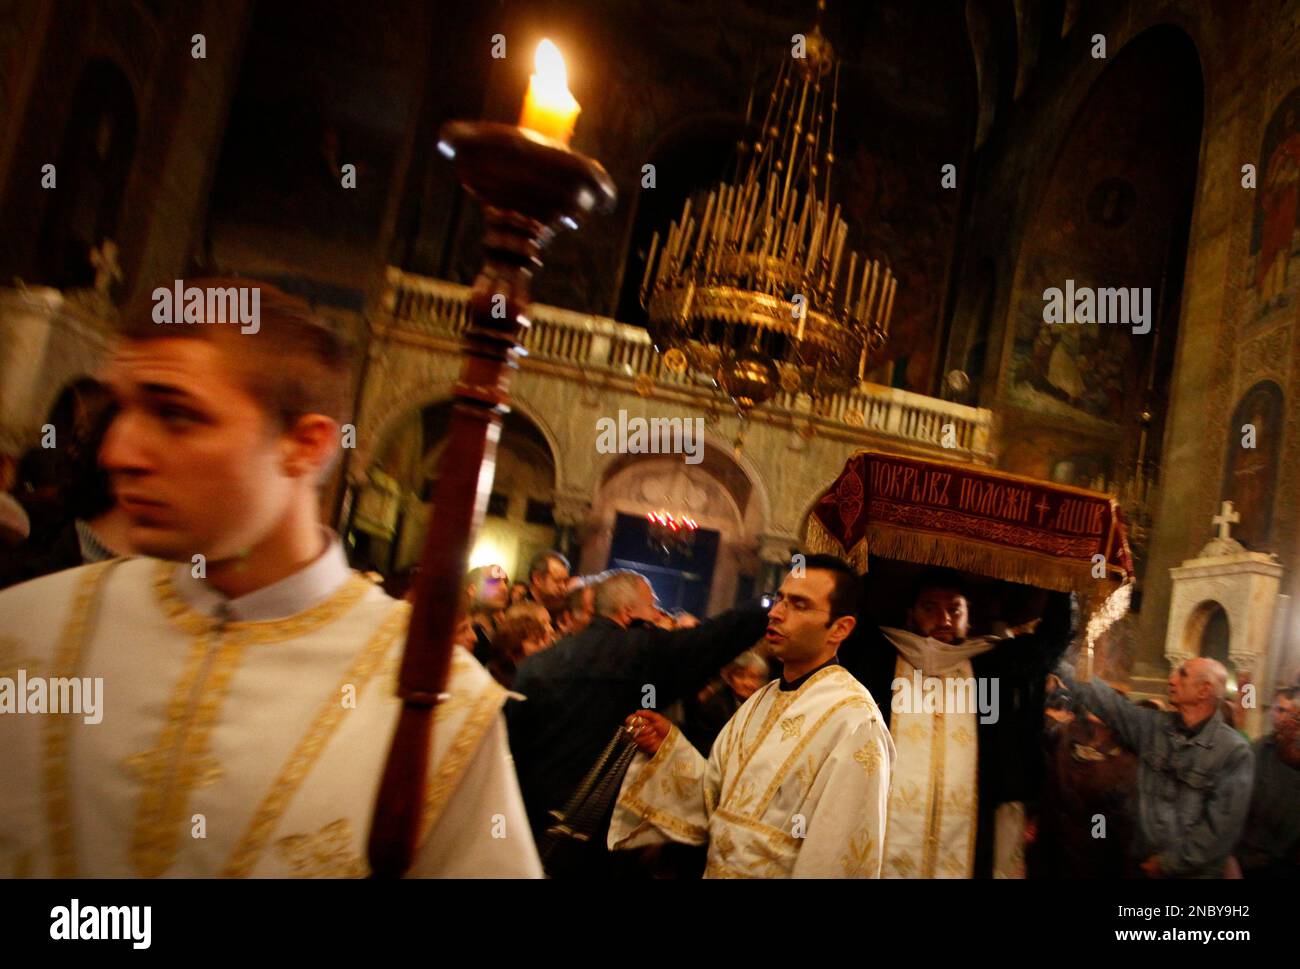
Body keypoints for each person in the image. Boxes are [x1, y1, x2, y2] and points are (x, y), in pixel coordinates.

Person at [0, 278, 540, 878]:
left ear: (304, 446)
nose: (119, 452)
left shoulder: (439, 702)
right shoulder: (26, 632)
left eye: (175, 415)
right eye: (119, 409)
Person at [608, 555, 894, 878]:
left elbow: (837, 856)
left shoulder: (854, 721)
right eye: (780, 599)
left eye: (798, 605)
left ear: (840, 628)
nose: (775, 613)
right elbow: (715, 798)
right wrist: (670, 749)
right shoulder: (761, 699)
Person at [506, 568, 769, 875]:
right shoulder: (643, 652)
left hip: (529, 832)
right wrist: (770, 603)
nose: (657, 612)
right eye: (651, 603)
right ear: (627, 610)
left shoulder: (537, 664)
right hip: (601, 840)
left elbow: (513, 748)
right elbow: (716, 637)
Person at [839, 568, 1073, 878]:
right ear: (910, 615)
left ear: (969, 618)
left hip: (970, 832)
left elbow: (1051, 641)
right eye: (930, 608)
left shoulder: (991, 668)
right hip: (885, 831)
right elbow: (850, 618)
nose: (944, 619)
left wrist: (1064, 578)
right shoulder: (881, 661)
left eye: (955, 609)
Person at [1056, 656, 1254, 878]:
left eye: (1182, 674)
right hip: (1141, 866)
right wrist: (1056, 658)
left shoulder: (1233, 752)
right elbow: (1106, 702)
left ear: (1204, 690)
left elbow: (1220, 831)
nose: (1171, 680)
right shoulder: (1154, 727)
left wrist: (1167, 864)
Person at [1236, 684, 1300, 877]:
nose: (1284, 717)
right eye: (1279, 710)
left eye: (1289, 712)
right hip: (1248, 862)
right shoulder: (1257, 752)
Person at [678, 650, 770, 755]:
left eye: (754, 677)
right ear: (730, 679)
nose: (748, 683)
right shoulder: (716, 706)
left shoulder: (762, 704)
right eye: (741, 676)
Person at [487, 613, 550, 690]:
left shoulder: (537, 673)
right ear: (514, 647)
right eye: (535, 642)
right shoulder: (501, 684)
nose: (543, 646)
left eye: (543, 640)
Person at [464, 563, 510, 663]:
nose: (504, 588)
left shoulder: (501, 629)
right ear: (472, 589)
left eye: (505, 582)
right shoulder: (463, 633)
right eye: (494, 582)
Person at [525, 549, 570, 619]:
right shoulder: (520, 612)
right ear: (537, 579)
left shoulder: (559, 612)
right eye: (557, 580)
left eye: (565, 581)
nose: (563, 587)